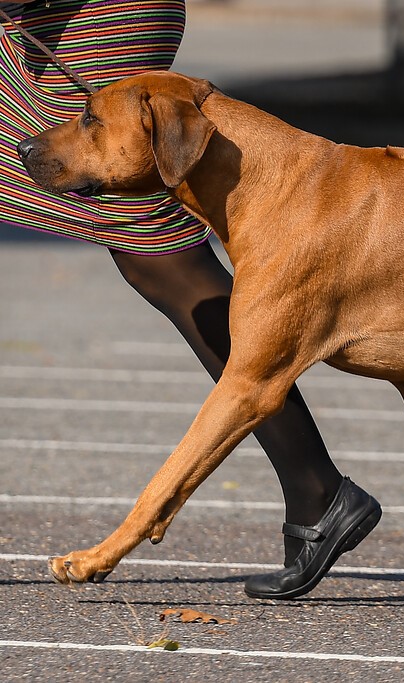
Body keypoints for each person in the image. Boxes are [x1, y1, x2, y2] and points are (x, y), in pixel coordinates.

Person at [0, 0, 380, 599]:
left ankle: (316, 486)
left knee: (161, 252)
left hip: (89, 14)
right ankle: (317, 488)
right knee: (157, 260)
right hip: (35, 22)